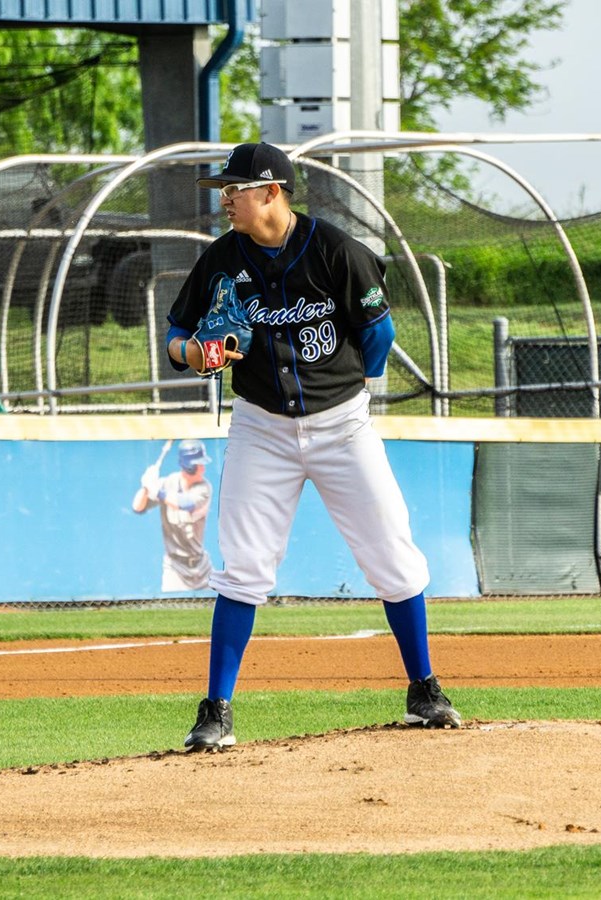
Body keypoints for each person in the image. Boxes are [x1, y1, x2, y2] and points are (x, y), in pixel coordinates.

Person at [164, 141, 461, 751]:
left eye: (236, 189)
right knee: (243, 567)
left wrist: (348, 391)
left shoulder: (336, 250)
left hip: (342, 425)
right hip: (260, 428)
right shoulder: (220, 260)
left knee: (391, 553)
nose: (225, 199)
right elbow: (177, 332)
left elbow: (379, 335)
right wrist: (192, 353)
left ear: (272, 191)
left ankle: (424, 688)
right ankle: (216, 709)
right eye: (225, 190)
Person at [132, 439, 216, 592]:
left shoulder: (205, 488)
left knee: (211, 610)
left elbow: (185, 504)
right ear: (188, 466)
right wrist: (145, 485)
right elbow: (137, 507)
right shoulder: (168, 483)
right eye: (199, 464)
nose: (203, 468)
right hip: (175, 568)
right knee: (170, 609)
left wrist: (156, 490)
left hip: (201, 567)